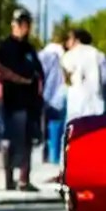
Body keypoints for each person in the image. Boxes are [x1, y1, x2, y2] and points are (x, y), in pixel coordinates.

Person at [0, 8, 44, 192]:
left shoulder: (29, 48)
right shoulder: (5, 46)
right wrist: (22, 80)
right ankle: (9, 178)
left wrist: (36, 84)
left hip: (30, 102)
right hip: (13, 102)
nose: (26, 28)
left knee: (27, 140)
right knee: (10, 141)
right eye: (23, 24)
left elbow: (37, 70)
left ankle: (24, 179)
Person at [61, 28, 106, 124]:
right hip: (96, 104)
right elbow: (105, 77)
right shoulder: (99, 54)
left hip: (76, 105)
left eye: (69, 39)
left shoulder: (68, 56)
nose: (67, 42)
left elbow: (66, 78)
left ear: (77, 40)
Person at [39, 29, 68, 165]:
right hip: (60, 94)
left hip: (44, 95)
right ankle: (55, 156)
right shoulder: (64, 55)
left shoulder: (43, 54)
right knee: (57, 126)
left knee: (44, 126)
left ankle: (45, 154)